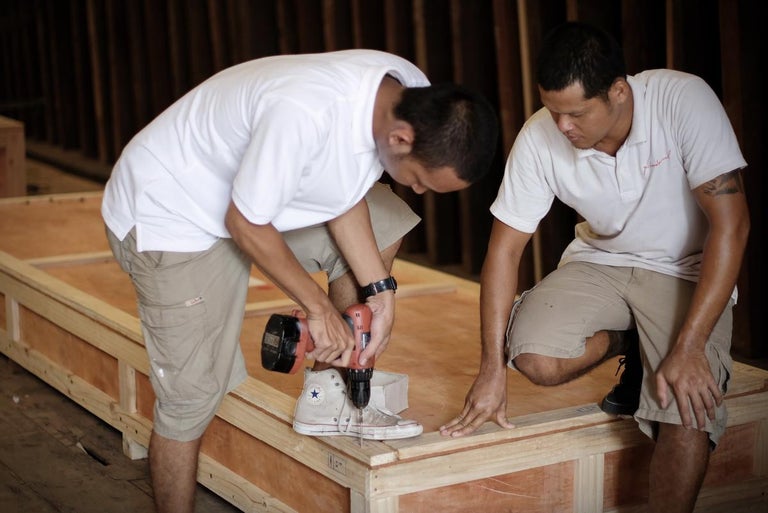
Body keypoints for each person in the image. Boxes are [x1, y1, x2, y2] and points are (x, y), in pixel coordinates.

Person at [101, 49, 498, 513]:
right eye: (421, 180)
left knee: (386, 217)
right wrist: (319, 309)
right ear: (401, 137)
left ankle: (324, 394)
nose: (418, 190)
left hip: (252, 198)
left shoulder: (405, 87)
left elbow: (342, 191)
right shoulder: (305, 114)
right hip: (172, 213)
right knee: (190, 397)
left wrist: (380, 290)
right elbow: (246, 224)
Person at [440, 22, 749, 513]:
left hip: (685, 270)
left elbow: (732, 226)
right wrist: (490, 369)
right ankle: (633, 342)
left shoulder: (684, 100)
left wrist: (688, 347)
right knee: (533, 357)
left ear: (619, 92)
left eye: (576, 113)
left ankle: (662, 349)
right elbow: (504, 251)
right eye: (553, 109)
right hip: (600, 261)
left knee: (687, 410)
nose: (562, 126)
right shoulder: (541, 135)